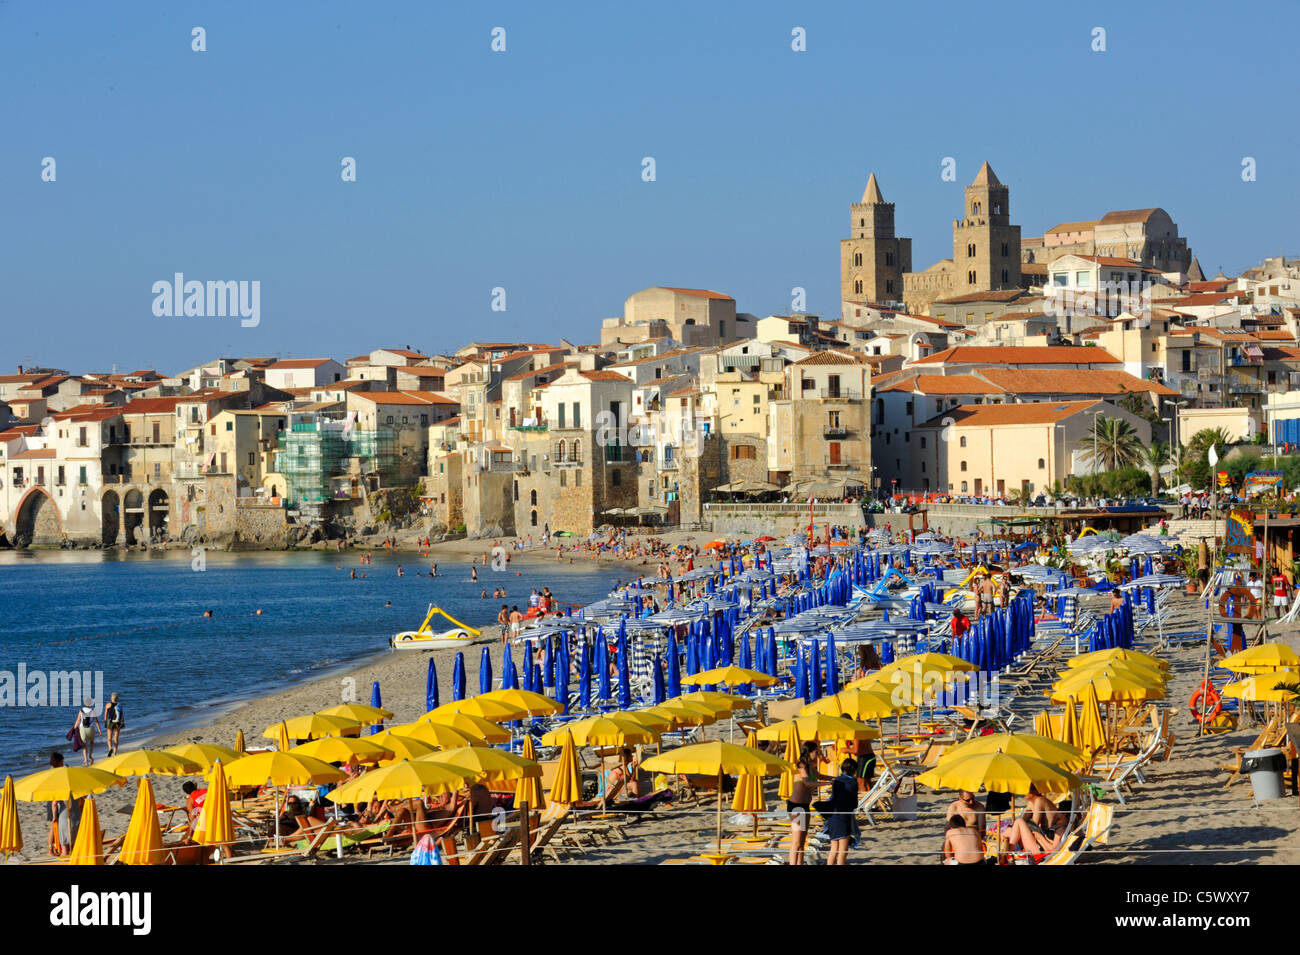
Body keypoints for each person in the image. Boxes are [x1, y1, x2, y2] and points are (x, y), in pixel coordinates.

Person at [815, 758, 860, 865]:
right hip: (843, 816)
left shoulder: (837, 780)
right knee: (843, 850)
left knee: (834, 848)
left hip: (832, 816)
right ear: (854, 770)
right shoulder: (853, 782)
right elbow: (854, 803)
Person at [787, 756, 814, 866]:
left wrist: (835, 779)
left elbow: (819, 776)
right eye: (815, 752)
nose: (818, 754)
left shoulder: (811, 766)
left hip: (805, 805)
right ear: (809, 752)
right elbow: (807, 783)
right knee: (796, 841)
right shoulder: (801, 765)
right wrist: (826, 784)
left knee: (802, 842)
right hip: (797, 807)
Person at [46, 751, 69, 856]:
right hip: (53, 801)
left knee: (57, 825)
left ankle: (55, 848)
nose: (63, 764)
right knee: (53, 825)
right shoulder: (57, 773)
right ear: (59, 762)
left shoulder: (51, 772)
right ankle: (50, 850)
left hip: (53, 800)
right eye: (62, 762)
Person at [72, 697, 101, 766]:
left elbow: (78, 721)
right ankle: (90, 756)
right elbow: (96, 721)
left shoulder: (81, 710)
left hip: (83, 729)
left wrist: (73, 729)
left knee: (84, 745)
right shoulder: (93, 711)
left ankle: (85, 759)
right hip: (91, 729)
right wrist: (99, 729)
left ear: (85, 703)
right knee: (91, 742)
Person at [103, 692, 124, 758]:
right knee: (116, 739)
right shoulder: (120, 705)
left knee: (109, 738)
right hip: (117, 722)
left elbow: (105, 715)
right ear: (117, 698)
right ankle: (115, 754)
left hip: (110, 722)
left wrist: (105, 722)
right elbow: (122, 715)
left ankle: (110, 748)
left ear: (111, 698)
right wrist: (122, 722)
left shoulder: (108, 705)